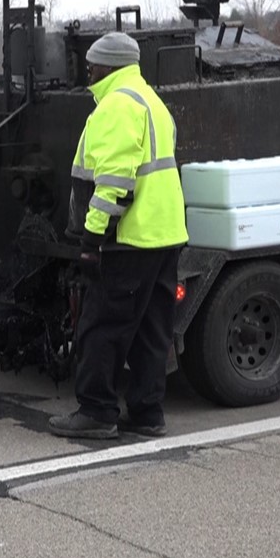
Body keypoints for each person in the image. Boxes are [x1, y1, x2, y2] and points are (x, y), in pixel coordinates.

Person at [47, 31, 188, 440]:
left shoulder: (116, 106)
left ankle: (96, 411)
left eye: (93, 65)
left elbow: (114, 182)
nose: (88, 72)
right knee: (151, 329)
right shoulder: (152, 102)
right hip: (164, 234)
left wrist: (92, 239)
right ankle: (147, 412)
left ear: (109, 66)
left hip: (128, 239)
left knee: (101, 326)